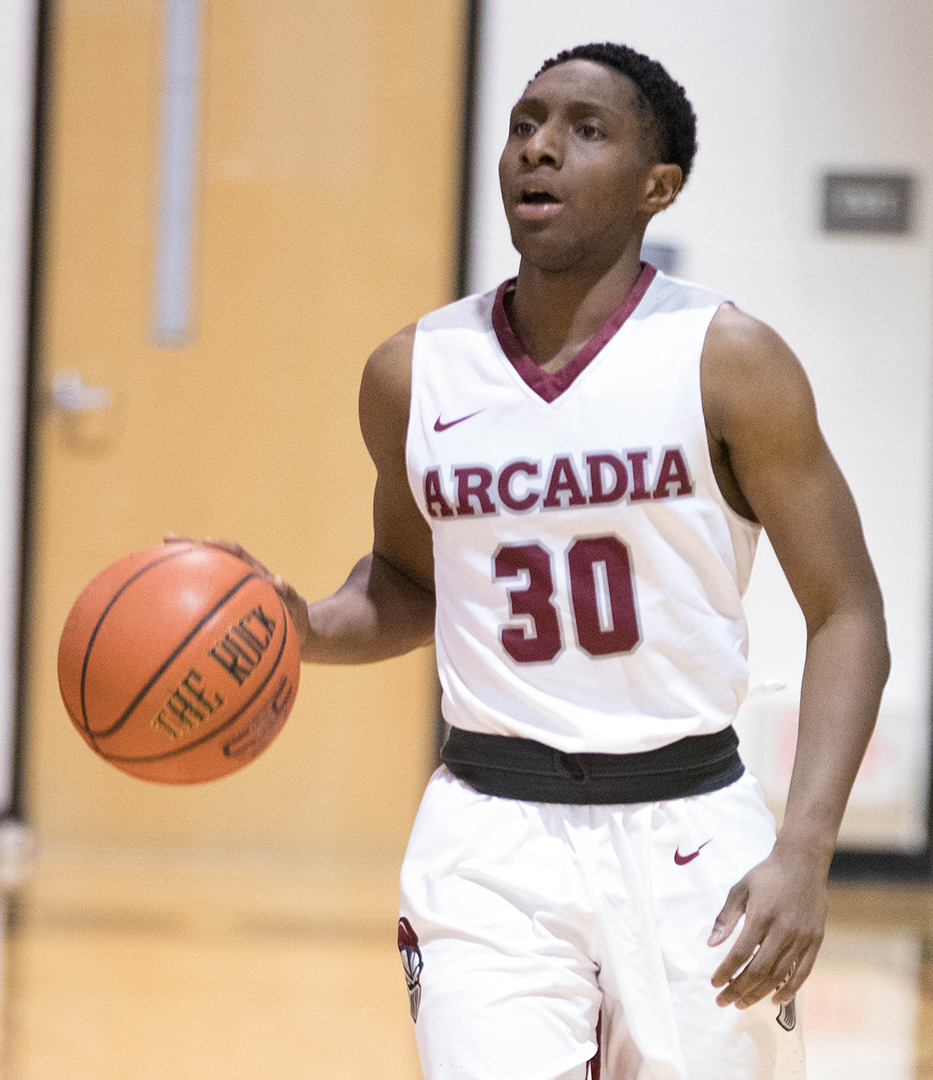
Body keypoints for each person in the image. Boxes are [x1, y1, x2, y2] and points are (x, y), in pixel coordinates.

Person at [214, 42, 887, 1080]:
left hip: (693, 834)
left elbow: (847, 614)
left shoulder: (727, 361)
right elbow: (408, 585)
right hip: (489, 840)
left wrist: (803, 852)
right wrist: (293, 627)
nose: (539, 148)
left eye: (584, 130)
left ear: (656, 187)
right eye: (526, 123)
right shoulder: (414, 372)